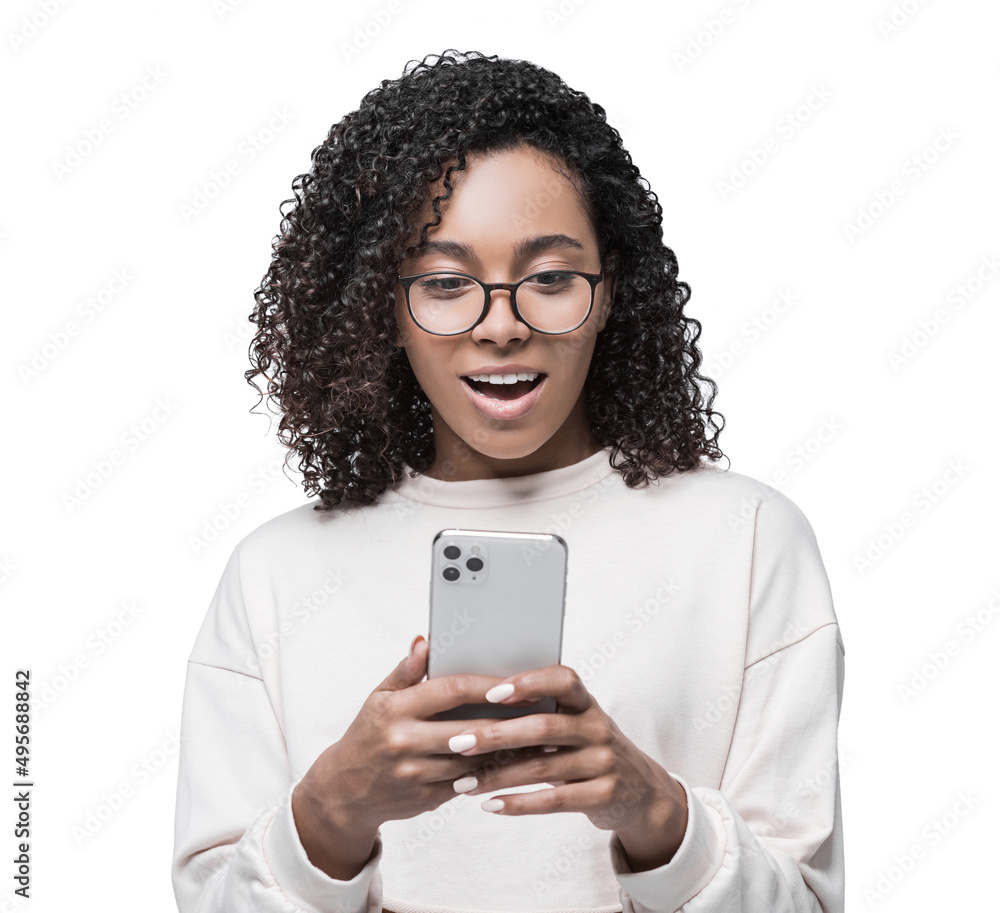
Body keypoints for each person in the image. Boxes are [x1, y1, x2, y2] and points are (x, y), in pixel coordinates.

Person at [171, 50, 845, 913]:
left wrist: (655, 812)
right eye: (448, 283)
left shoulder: (748, 539)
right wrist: (334, 810)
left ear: (609, 294)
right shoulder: (274, 574)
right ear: (384, 303)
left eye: (551, 278)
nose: (501, 325)